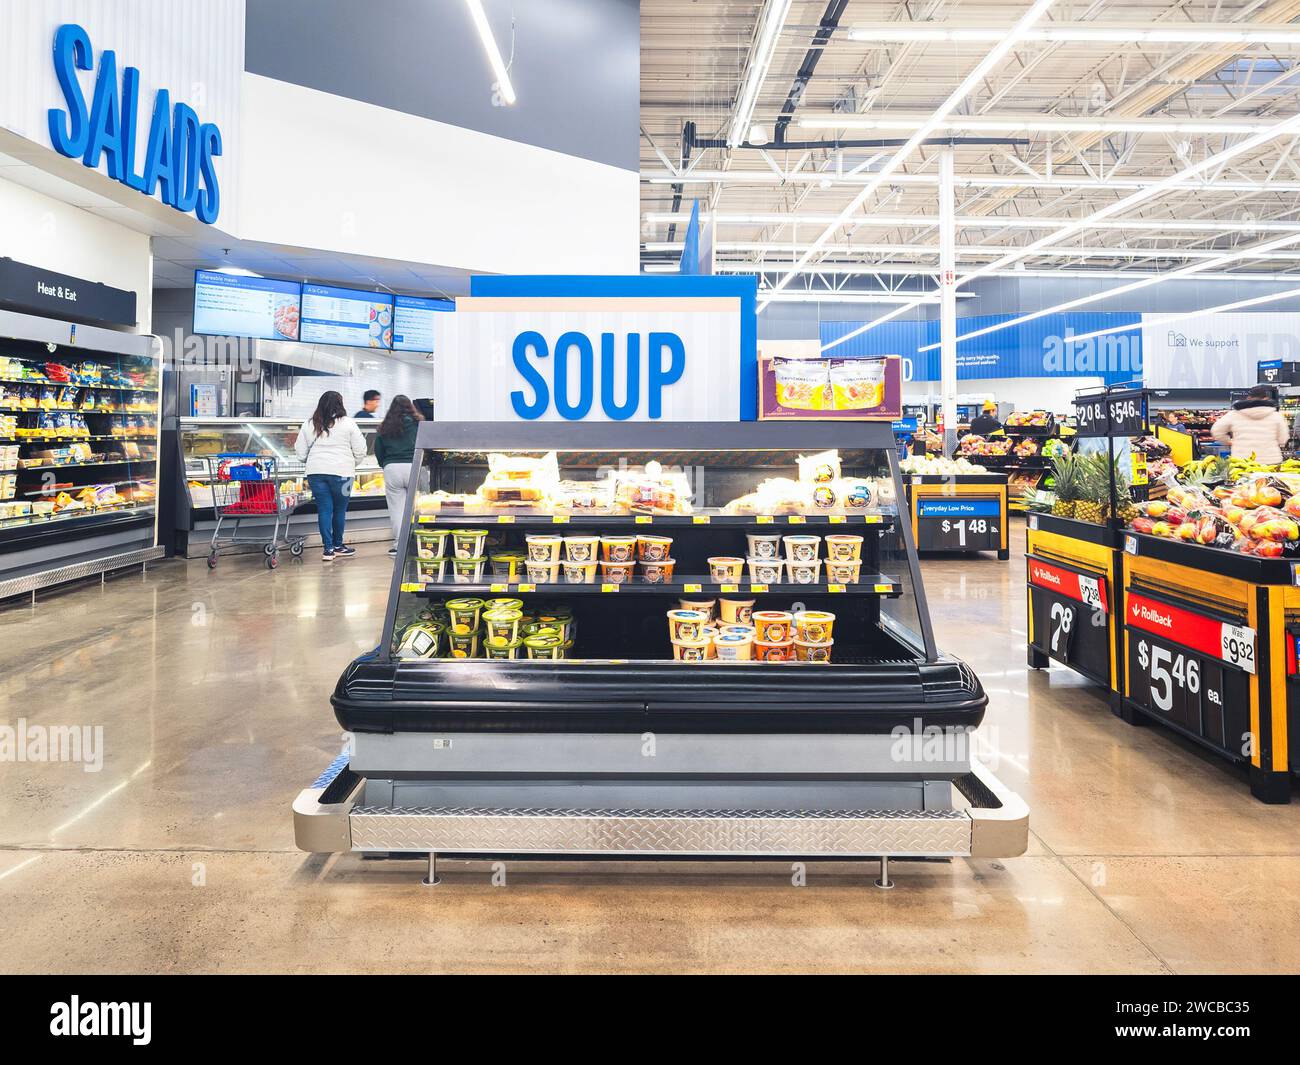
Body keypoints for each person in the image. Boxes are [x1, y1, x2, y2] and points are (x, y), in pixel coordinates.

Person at [295, 390, 368, 561]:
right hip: (343, 474)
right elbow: (360, 450)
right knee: (340, 510)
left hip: (316, 473)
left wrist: (313, 461)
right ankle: (338, 545)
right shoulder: (349, 423)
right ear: (340, 404)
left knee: (324, 510)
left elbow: (300, 452)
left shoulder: (309, 424)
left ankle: (328, 549)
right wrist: (351, 463)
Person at [375, 394, 423, 555]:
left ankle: (398, 546)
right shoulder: (419, 424)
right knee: (418, 507)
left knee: (397, 510)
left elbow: (379, 451)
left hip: (392, 469)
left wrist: (385, 464)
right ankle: (419, 542)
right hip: (414, 466)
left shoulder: (385, 426)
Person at [1211, 385, 1290, 464]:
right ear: (1266, 398)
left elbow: (1216, 431)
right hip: (1271, 461)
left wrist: (1230, 442)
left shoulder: (1234, 414)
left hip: (1242, 461)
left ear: (1249, 398)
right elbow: (1283, 439)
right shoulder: (1276, 415)